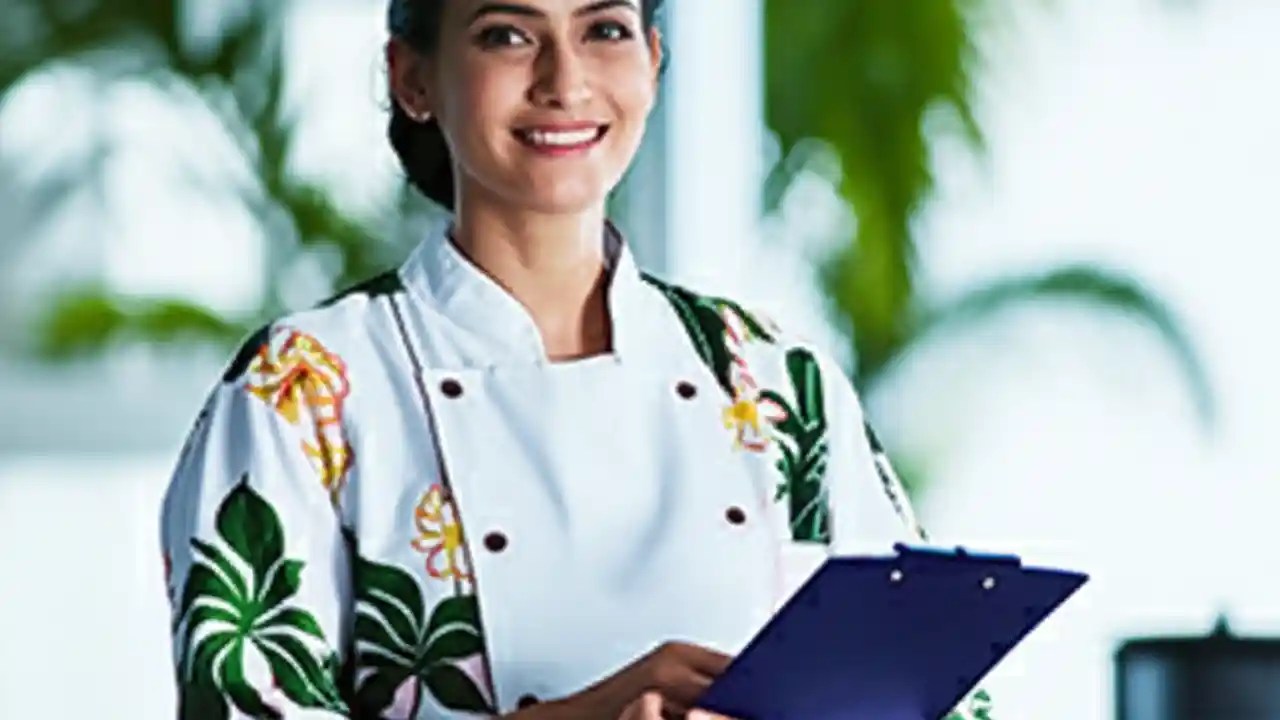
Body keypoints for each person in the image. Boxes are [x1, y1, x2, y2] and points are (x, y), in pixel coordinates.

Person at [160, 0, 991, 718]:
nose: (565, 80)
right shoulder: (304, 387)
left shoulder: (775, 379)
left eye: (604, 29)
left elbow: (935, 696)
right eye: (506, 35)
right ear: (413, 78)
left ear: (654, 63)